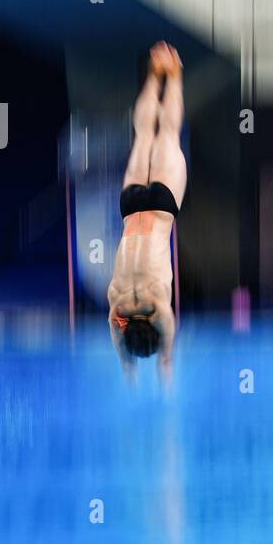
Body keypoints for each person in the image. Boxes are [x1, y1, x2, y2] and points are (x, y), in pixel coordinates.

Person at [107, 41, 186, 373]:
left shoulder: (157, 302)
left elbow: (167, 350)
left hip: (160, 207)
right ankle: (154, 74)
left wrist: (163, 366)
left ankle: (175, 75)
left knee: (167, 134)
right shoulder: (117, 301)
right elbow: (116, 333)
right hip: (131, 206)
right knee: (142, 135)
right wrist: (127, 365)